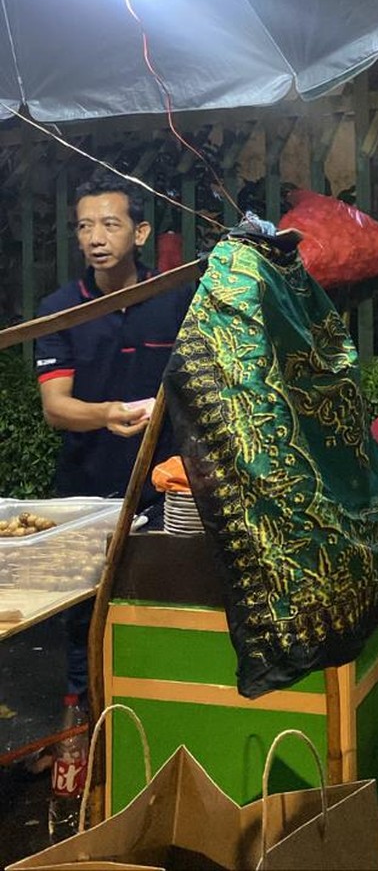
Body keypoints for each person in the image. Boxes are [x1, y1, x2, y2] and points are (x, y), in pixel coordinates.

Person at [34, 172, 192, 696]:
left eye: (109, 224)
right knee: (83, 611)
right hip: (85, 486)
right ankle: (80, 719)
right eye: (84, 227)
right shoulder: (60, 309)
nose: (96, 238)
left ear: (140, 233)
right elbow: (56, 408)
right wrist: (105, 415)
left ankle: (151, 711)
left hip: (163, 489)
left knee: (160, 604)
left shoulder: (174, 300)